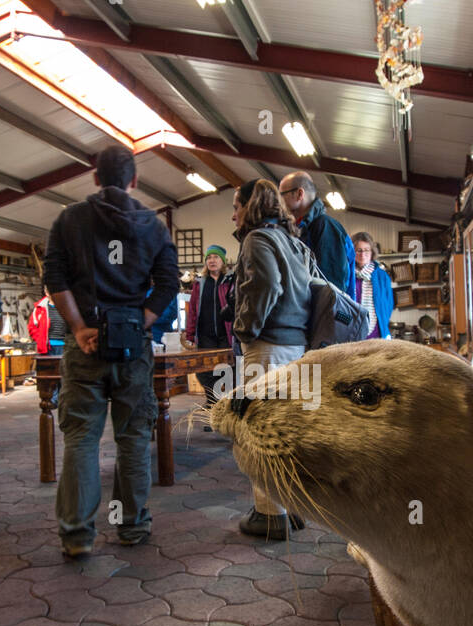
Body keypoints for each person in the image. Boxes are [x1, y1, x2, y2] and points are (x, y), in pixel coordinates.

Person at [43, 142, 180, 558]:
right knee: (133, 437)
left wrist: (80, 327)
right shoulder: (153, 225)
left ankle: (77, 535)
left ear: (95, 177)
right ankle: (132, 528)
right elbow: (170, 284)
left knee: (82, 439)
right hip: (133, 349)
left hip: (84, 347)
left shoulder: (69, 219)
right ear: (134, 180)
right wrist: (139, 322)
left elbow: (54, 276)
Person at [231, 179, 312, 540]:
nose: (233, 215)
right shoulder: (294, 242)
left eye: (236, 206)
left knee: (261, 432)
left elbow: (265, 284)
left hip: (268, 347)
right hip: (298, 348)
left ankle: (270, 514)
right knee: (289, 433)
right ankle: (292, 509)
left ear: (248, 207)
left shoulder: (257, 239)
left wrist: (246, 329)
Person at [181, 243, 233, 424]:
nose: (212, 260)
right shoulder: (199, 283)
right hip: (205, 335)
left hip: (226, 335)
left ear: (223, 261)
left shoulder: (230, 281)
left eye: (216, 257)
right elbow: (193, 311)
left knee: (226, 372)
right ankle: (212, 406)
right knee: (204, 372)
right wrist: (190, 334)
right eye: (209, 258)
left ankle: (224, 411)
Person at [279, 171, 355, 294]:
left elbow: (331, 287)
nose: (279, 201)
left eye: (282, 194)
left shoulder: (325, 227)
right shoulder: (298, 229)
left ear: (299, 194)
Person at [351, 231, 394, 339]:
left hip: (377, 332)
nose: (363, 254)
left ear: (372, 251)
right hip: (352, 332)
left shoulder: (382, 276)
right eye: (359, 250)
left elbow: (389, 304)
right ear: (353, 252)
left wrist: (383, 322)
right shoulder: (347, 274)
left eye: (366, 250)